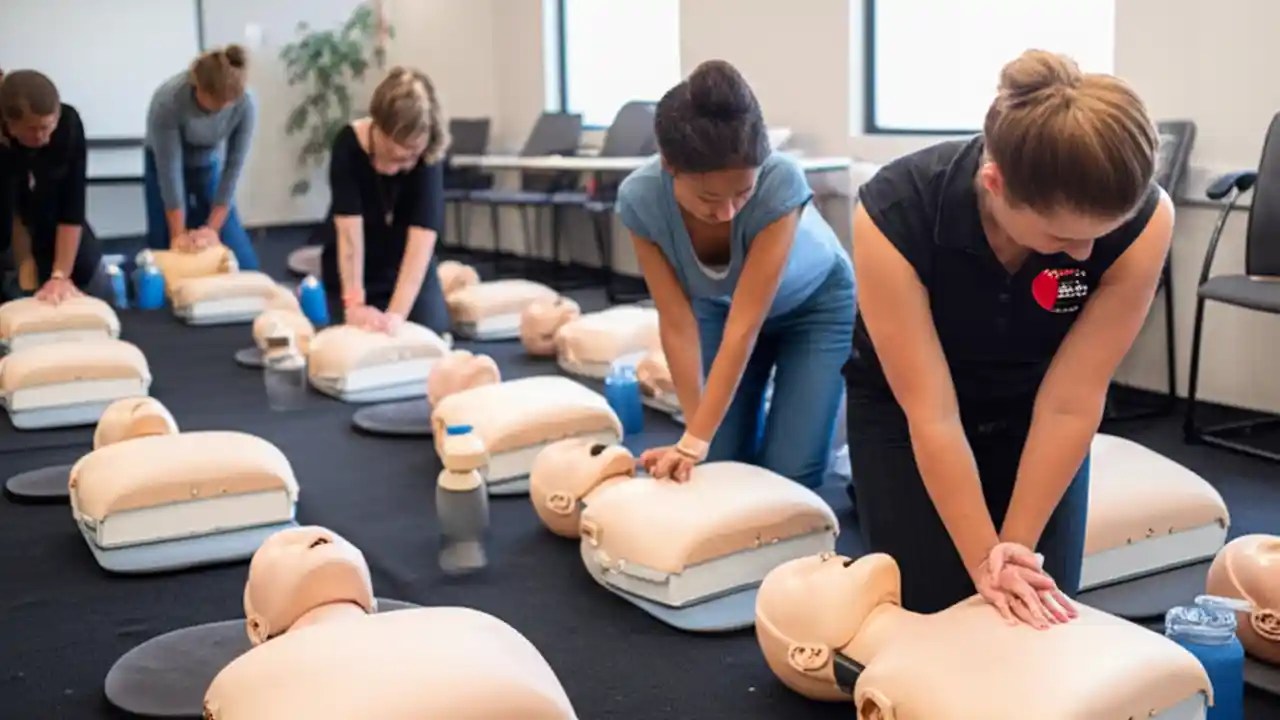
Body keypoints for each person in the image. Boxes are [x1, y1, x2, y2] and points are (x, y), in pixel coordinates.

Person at [845, 50, 1173, 627]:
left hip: (1036, 406)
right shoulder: (894, 211)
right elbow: (932, 413)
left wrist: (1012, 553)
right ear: (993, 184)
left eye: (1103, 235)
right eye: (1062, 236)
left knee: (1038, 610)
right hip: (909, 413)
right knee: (935, 613)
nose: (1086, 256)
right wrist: (980, 558)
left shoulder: (1146, 220)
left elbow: (1072, 399)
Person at [616, 60, 855, 489]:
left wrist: (693, 441)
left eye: (743, 193)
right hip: (717, 308)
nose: (727, 212)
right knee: (716, 465)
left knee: (790, 478)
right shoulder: (640, 199)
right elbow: (676, 320)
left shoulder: (780, 179)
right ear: (670, 166)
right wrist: (695, 438)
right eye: (709, 197)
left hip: (815, 307)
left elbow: (746, 324)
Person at [318, 67, 451, 334]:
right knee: (343, 332)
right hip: (355, 264)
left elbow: (421, 244)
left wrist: (396, 317)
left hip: (404, 265)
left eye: (411, 157)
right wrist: (354, 305)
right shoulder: (349, 145)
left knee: (428, 331)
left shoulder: (428, 156)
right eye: (393, 154)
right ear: (377, 126)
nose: (400, 166)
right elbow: (349, 239)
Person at [0, 69, 112, 303]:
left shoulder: (68, 124)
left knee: (90, 276)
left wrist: (60, 275)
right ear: (10, 125)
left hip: (55, 215)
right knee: (18, 293)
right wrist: (26, 268)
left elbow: (72, 203)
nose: (44, 137)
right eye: (33, 129)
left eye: (48, 126)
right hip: (10, 229)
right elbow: (12, 212)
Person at [143, 45, 258, 269]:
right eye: (216, 104)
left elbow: (233, 168)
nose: (222, 109)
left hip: (206, 163)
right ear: (199, 88)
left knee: (241, 256)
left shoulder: (245, 103)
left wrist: (211, 230)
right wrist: (178, 236)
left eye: (227, 104)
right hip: (163, 165)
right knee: (164, 248)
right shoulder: (168, 101)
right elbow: (170, 175)